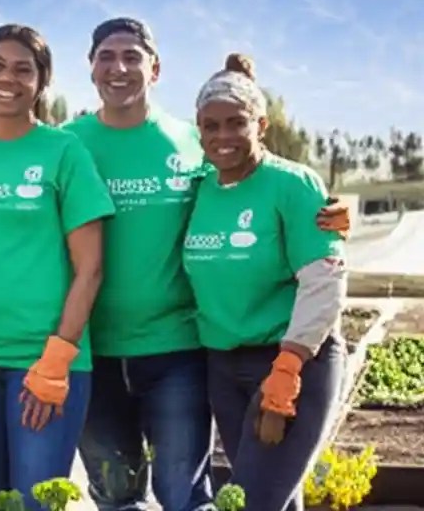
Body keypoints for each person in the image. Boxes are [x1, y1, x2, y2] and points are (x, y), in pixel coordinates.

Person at [64, 19, 351, 511]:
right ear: (89, 67)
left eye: (132, 55)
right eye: (106, 56)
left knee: (202, 497)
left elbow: (252, 165)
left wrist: (314, 206)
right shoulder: (66, 145)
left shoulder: (186, 142)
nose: (119, 67)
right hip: (108, 352)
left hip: (184, 351)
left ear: (155, 68)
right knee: (120, 492)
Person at [0, 23, 115, 510]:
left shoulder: (63, 153)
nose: (7, 79)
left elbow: (91, 268)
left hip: (44, 362)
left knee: (34, 504)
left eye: (23, 69)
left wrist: (56, 359)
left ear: (42, 81)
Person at [183, 54, 347, 511]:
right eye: (210, 126)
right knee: (272, 498)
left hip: (293, 361)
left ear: (262, 124)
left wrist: (288, 367)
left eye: (236, 123)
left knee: (250, 501)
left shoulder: (292, 185)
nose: (222, 137)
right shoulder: (201, 188)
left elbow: (324, 279)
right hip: (224, 366)